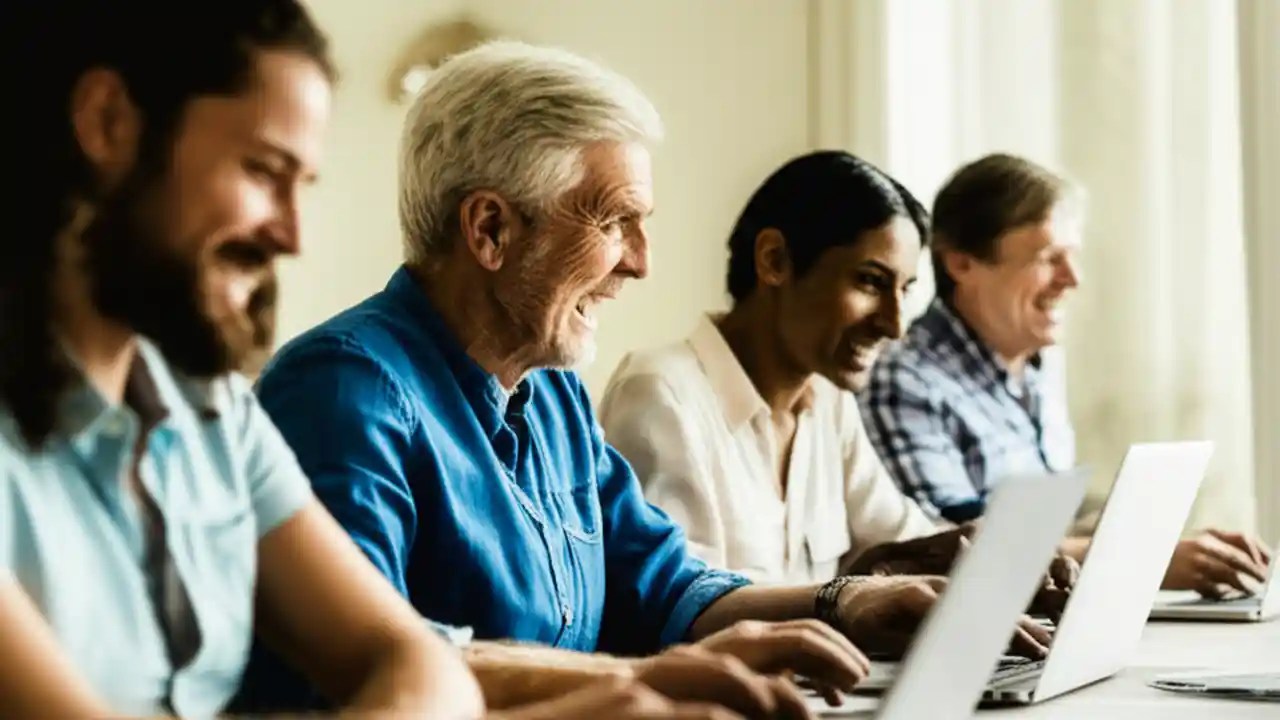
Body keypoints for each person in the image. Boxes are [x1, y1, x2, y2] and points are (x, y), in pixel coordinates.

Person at [252, 40, 1037, 716]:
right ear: (490, 228)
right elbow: (372, 668)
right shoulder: (345, 391)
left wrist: (844, 603)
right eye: (613, 220)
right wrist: (638, 679)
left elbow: (661, 584)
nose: (640, 260)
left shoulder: (549, 390)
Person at [0, 2, 495, 718]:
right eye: (265, 171)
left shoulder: (216, 415)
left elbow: (417, 661)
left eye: (304, 186)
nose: (293, 236)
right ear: (109, 122)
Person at [861, 152, 1272, 598]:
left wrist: (1160, 541)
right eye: (1048, 257)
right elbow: (947, 548)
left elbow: (1046, 528)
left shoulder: (1036, 368)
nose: (1072, 278)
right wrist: (1138, 559)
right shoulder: (905, 380)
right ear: (961, 264)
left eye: (1071, 256)